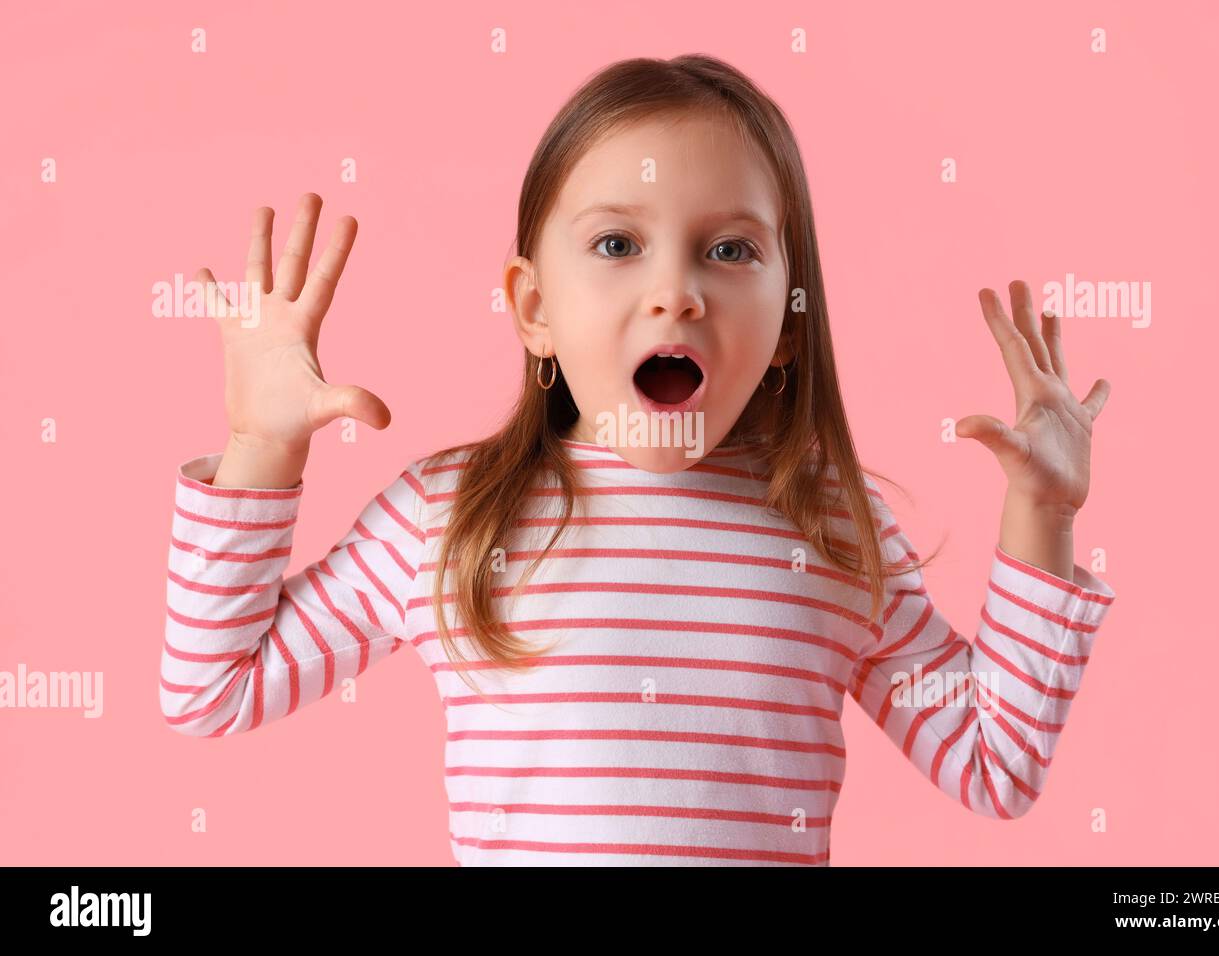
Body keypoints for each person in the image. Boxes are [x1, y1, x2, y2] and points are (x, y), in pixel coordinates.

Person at [161, 54, 1115, 866]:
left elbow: (995, 765)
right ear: (533, 308)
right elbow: (213, 690)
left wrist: (1044, 512)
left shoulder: (833, 527)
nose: (676, 292)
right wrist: (263, 447)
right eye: (618, 243)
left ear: (790, 322)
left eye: (730, 250)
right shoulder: (443, 518)